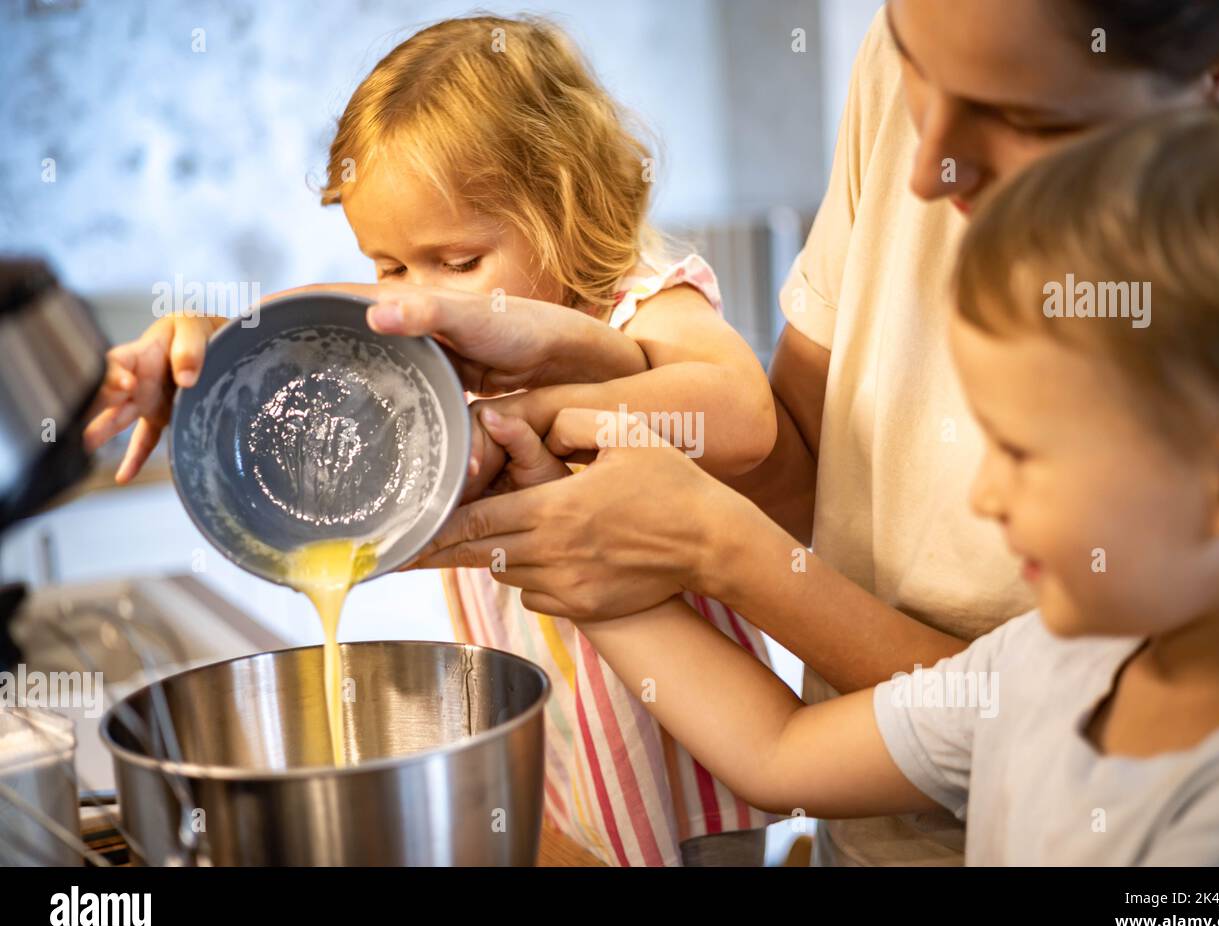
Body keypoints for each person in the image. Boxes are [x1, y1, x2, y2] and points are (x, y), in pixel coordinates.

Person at [396, 0, 1219, 865]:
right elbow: (775, 749)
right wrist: (570, 475)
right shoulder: (1048, 669)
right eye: (918, 73)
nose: (924, 168)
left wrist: (708, 541)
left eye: (1018, 110)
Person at [83, 15, 783, 866]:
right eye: (389, 266)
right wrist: (201, 347)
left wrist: (545, 404)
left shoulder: (642, 303)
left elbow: (743, 421)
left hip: (686, 767)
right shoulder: (420, 352)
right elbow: (301, 335)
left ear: (568, 209)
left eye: (457, 263)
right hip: (554, 754)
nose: (422, 301)